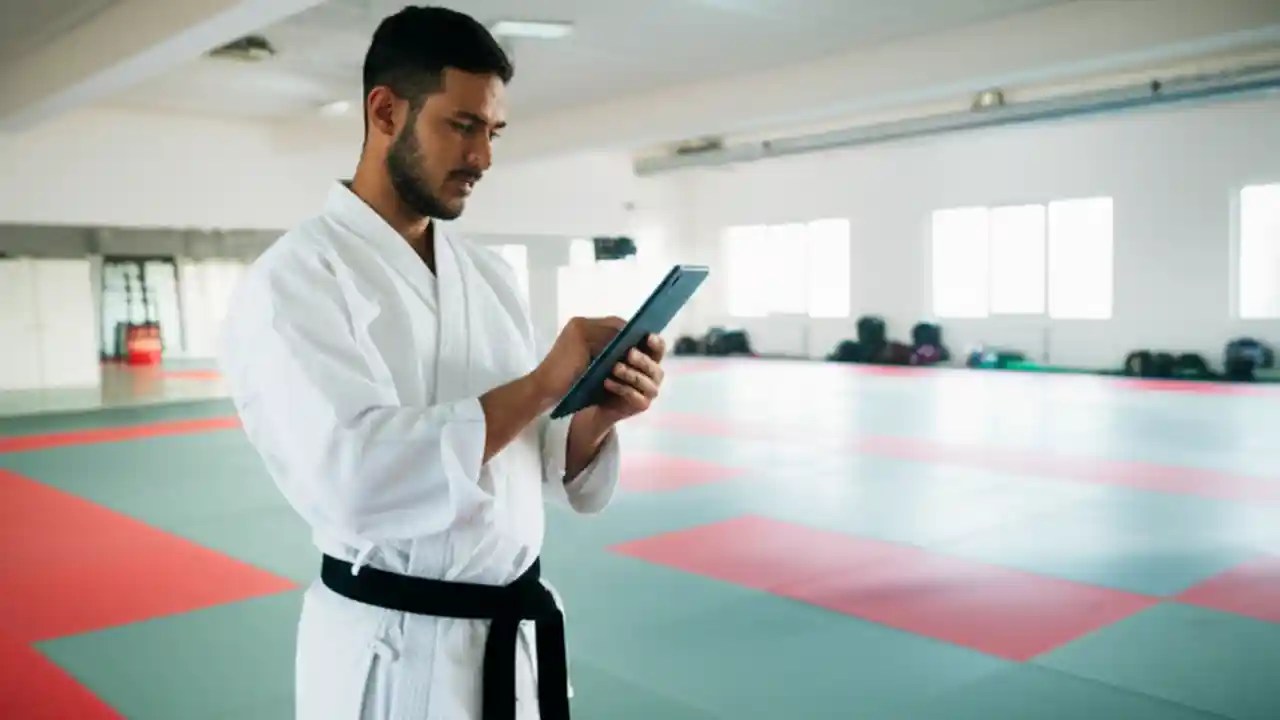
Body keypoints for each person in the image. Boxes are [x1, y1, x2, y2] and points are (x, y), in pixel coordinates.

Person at [218, 6, 666, 719]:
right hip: (393, 657)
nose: (483, 157)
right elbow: (357, 480)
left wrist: (596, 416)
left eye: (493, 132)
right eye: (462, 126)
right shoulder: (297, 279)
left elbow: (534, 456)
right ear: (386, 110)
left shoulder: (486, 274)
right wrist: (546, 379)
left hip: (510, 638)